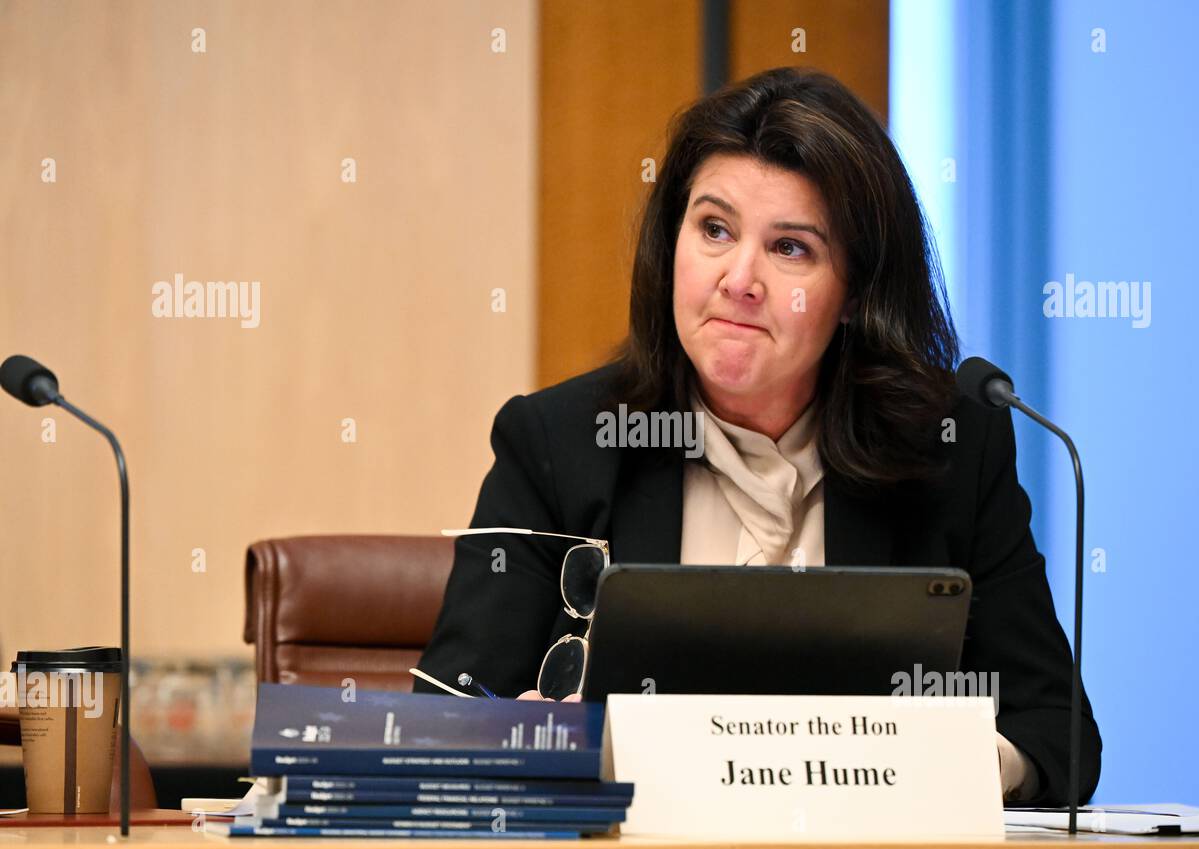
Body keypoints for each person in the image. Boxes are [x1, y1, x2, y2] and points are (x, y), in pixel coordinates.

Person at [414, 66, 1102, 806]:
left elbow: (1058, 735)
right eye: (714, 229)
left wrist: (940, 760)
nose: (738, 278)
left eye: (791, 249)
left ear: (855, 294)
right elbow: (442, 726)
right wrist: (525, 743)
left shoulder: (947, 451)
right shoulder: (559, 443)